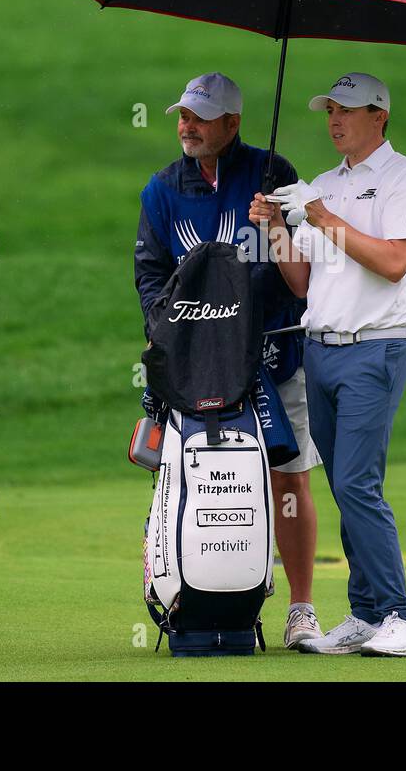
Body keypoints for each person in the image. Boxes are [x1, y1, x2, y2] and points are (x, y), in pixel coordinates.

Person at [134, 71, 325, 650]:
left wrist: (273, 222)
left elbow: (300, 278)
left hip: (274, 353)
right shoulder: (162, 189)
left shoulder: (274, 174)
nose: (185, 126)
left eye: (199, 117)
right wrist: (169, 339)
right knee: (194, 474)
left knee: (287, 479)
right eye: (182, 115)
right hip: (196, 367)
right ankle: (199, 597)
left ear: (232, 124)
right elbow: (150, 277)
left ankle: (299, 609)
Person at [250, 72, 406, 657]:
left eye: (347, 110)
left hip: (374, 348)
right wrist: (277, 228)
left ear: (379, 115)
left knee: (357, 483)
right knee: (342, 484)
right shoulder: (324, 185)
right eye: (330, 110)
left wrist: (320, 214)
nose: (334, 120)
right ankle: (364, 613)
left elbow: (393, 263)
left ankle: (400, 616)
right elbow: (302, 280)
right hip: (321, 352)